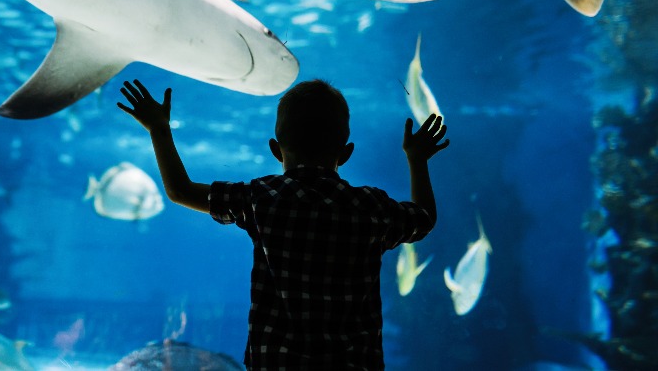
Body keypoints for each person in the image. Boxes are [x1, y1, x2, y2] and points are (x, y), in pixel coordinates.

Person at [118, 78, 449, 370]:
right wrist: (417, 160)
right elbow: (424, 219)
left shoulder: (261, 198)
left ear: (276, 149)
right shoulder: (370, 207)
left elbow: (180, 190)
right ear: (346, 153)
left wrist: (159, 128)